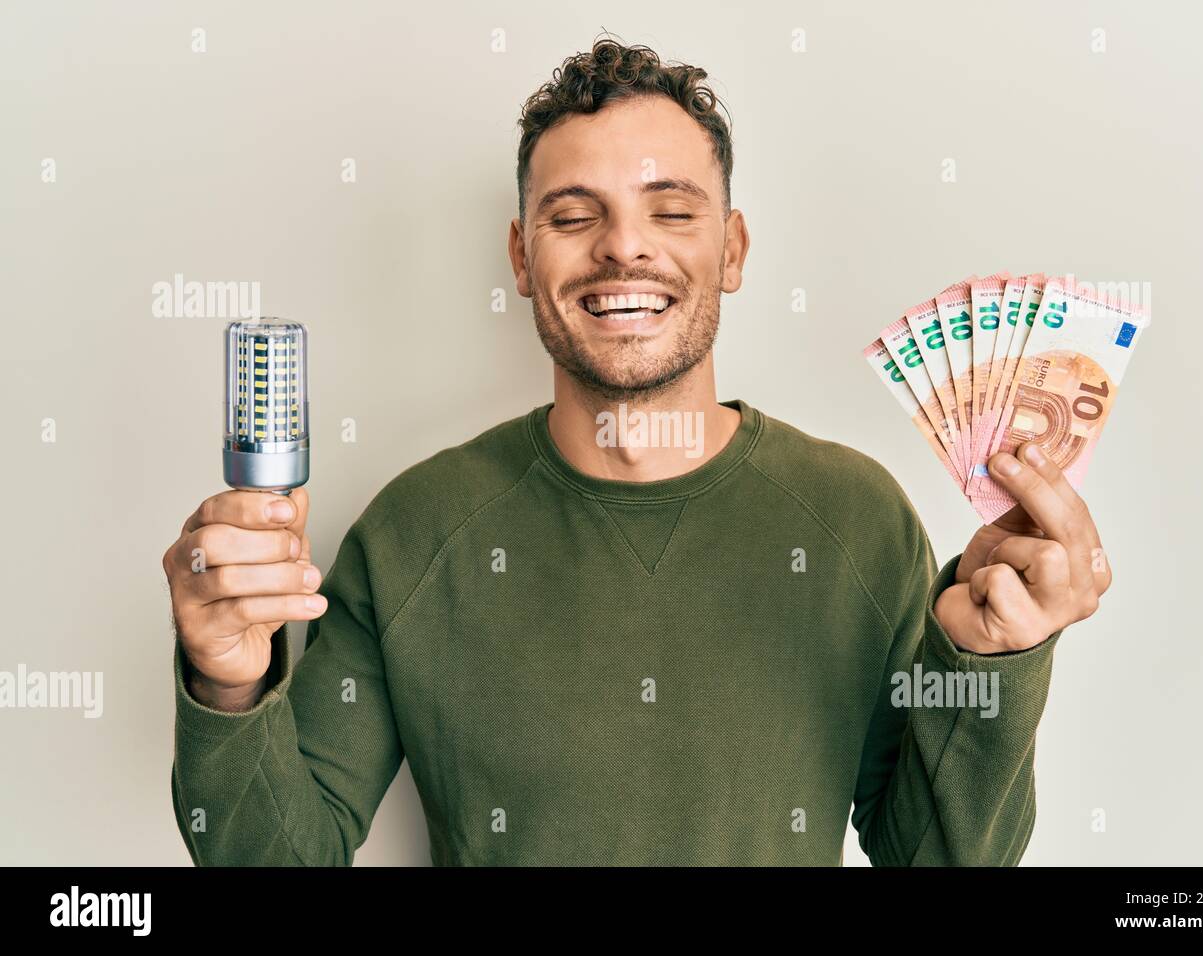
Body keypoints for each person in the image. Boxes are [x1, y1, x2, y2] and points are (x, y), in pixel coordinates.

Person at [162, 37, 1110, 866]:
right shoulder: (414, 532)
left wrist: (989, 660)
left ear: (732, 251)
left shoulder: (857, 518)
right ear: (522, 258)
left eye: (671, 210)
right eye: (574, 217)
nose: (624, 249)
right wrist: (226, 684)